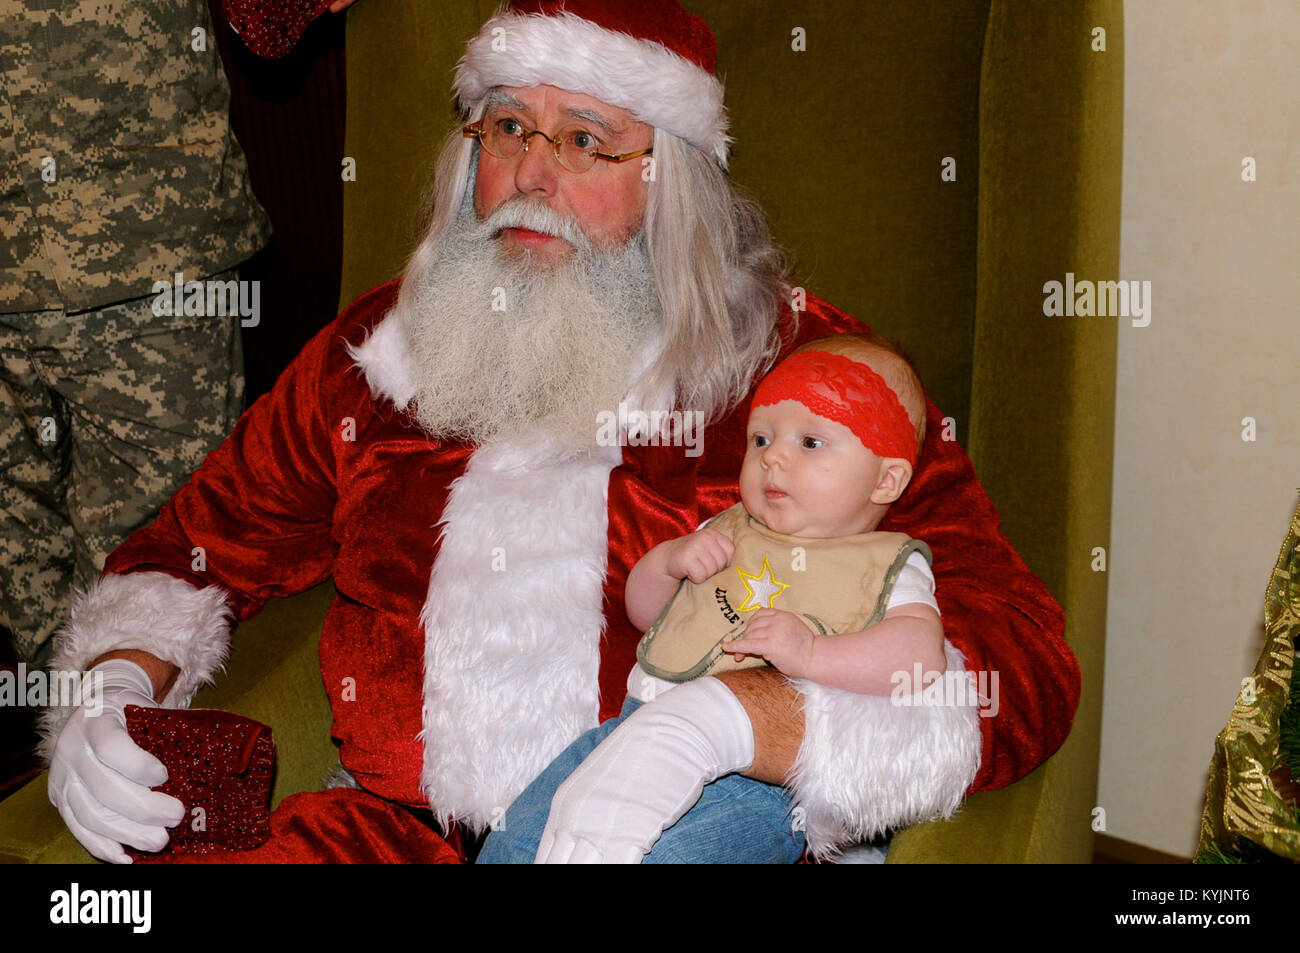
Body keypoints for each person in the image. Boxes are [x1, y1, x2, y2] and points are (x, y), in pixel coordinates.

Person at [37, 0, 1079, 865]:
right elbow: (198, 545)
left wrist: (733, 723)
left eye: (585, 139)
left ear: (670, 175)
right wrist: (117, 682)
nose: (533, 176)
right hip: (387, 835)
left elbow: (1018, 657)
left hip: (674, 829)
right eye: (506, 128)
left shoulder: (808, 377)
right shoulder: (378, 351)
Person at [480, 333, 956, 863]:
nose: (773, 458)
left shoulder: (885, 565)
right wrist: (668, 564)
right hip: (630, 732)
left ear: (886, 479)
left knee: (666, 856)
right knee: (517, 841)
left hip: (755, 783)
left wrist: (813, 655)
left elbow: (920, 656)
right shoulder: (727, 530)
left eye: (810, 443)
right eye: (760, 440)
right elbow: (646, 616)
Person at [0, 0, 271, 667]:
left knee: (108, 604)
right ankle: (102, 756)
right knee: (155, 595)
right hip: (138, 234)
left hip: (135, 237)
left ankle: (100, 750)